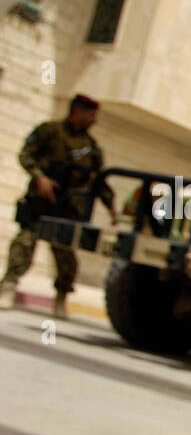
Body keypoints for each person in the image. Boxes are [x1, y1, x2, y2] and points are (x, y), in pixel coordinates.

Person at [0, 94, 114, 319]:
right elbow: (26, 155)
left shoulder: (90, 148)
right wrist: (39, 177)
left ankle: (61, 296)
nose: (94, 120)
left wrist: (111, 206)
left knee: (66, 259)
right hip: (40, 203)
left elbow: (98, 180)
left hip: (67, 208)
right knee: (24, 244)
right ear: (77, 111)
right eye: (90, 114)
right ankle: (8, 287)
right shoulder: (49, 131)